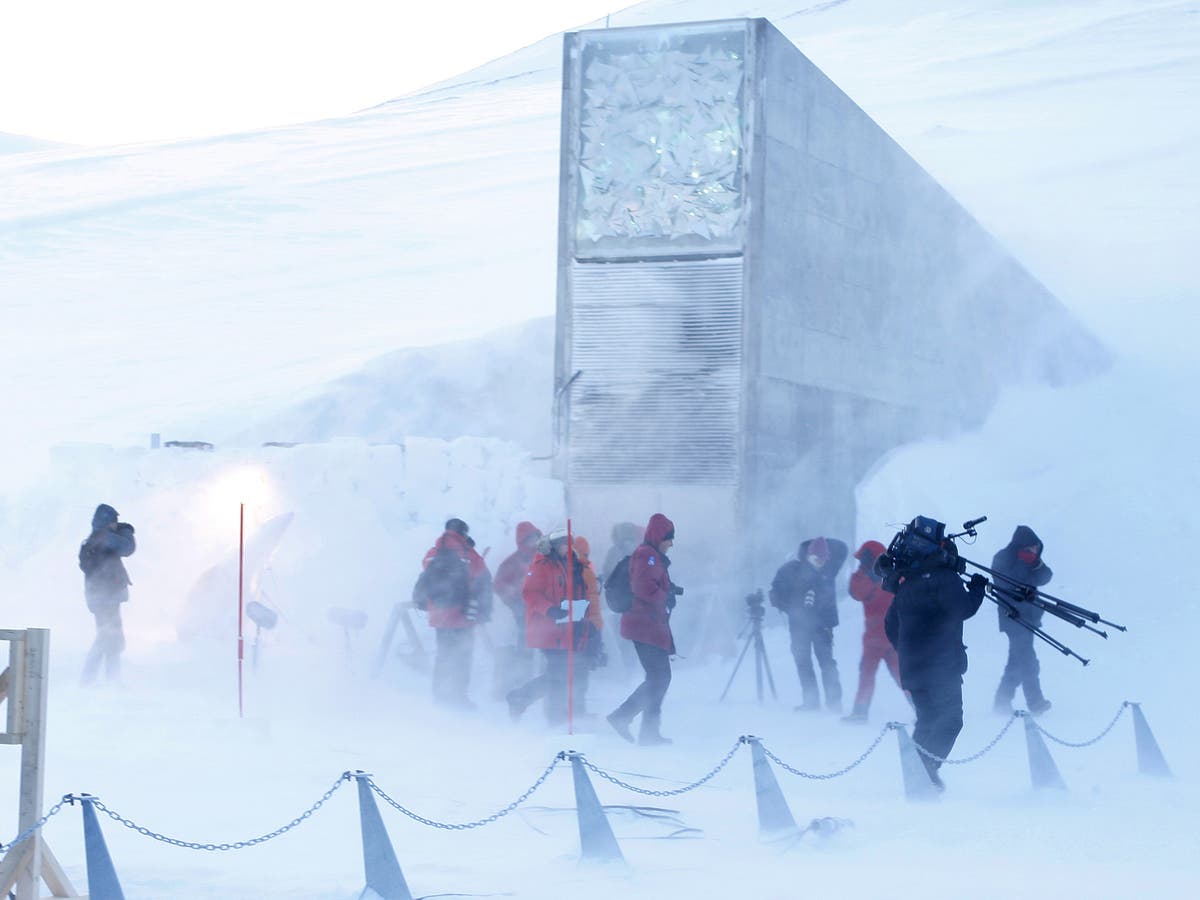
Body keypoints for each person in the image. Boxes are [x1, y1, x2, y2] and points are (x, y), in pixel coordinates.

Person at [882, 519, 987, 790]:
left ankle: (917, 772)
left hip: (913, 668)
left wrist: (907, 650)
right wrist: (977, 590)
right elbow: (961, 609)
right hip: (941, 666)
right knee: (951, 720)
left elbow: (890, 625)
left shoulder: (907, 583)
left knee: (928, 719)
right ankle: (925, 771)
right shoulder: (944, 578)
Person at [506, 529, 603, 724]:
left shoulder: (574, 565)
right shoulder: (542, 566)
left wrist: (587, 621)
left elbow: (581, 594)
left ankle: (566, 712)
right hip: (549, 630)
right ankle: (551, 714)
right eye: (562, 545)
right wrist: (550, 609)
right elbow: (530, 594)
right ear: (553, 546)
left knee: (569, 673)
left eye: (569, 545)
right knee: (559, 675)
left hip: (572, 628)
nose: (567, 549)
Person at [607, 513, 680, 746]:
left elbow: (650, 584)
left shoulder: (651, 556)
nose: (671, 543)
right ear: (659, 537)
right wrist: (664, 595)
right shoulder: (647, 555)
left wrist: (669, 589)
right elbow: (643, 588)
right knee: (660, 677)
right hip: (644, 625)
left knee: (659, 678)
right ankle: (623, 717)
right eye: (669, 538)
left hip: (649, 625)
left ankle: (648, 731)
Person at [414, 517, 493, 709]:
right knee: (462, 657)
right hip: (462, 616)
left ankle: (440, 697)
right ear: (464, 533)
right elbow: (484, 580)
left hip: (439, 615)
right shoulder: (469, 554)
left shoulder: (432, 553)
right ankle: (459, 698)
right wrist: (484, 611)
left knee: (443, 656)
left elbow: (427, 575)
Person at [769, 536, 848, 712]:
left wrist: (819, 541)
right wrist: (789, 607)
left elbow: (842, 547)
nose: (820, 562)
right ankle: (811, 702)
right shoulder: (792, 570)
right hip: (799, 627)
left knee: (827, 664)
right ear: (808, 556)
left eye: (823, 558)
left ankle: (834, 703)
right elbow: (775, 591)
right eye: (816, 558)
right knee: (803, 663)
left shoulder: (829, 569)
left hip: (823, 627)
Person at [991, 525, 1054, 716]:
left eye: (1036, 548)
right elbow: (1004, 584)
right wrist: (1022, 562)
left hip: (1031, 617)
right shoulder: (1003, 557)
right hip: (1013, 617)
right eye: (1031, 548)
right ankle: (1035, 702)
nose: (1034, 551)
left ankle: (1002, 700)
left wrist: (1035, 562)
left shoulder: (1030, 560)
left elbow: (1045, 577)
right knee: (1028, 661)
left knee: (1016, 662)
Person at [843, 540, 905, 723]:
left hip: (877, 640)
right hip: (893, 637)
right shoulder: (895, 574)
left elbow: (857, 592)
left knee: (868, 675)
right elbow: (856, 593)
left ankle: (860, 712)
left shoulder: (867, 577)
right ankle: (921, 709)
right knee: (902, 677)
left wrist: (867, 573)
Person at [78, 503, 136, 685]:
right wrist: (126, 530)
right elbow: (127, 547)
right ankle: (91, 679)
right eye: (113, 521)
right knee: (107, 636)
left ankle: (110, 678)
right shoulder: (104, 538)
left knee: (111, 637)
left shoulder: (94, 539)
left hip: (101, 597)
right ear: (106, 522)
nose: (115, 525)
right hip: (107, 597)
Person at [493, 521, 542, 648]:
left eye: (536, 537)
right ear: (522, 541)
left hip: (546, 606)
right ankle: (524, 664)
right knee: (526, 636)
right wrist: (515, 601)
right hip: (524, 608)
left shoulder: (545, 557)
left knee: (547, 637)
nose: (534, 541)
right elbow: (498, 585)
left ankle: (545, 665)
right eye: (531, 538)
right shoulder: (512, 562)